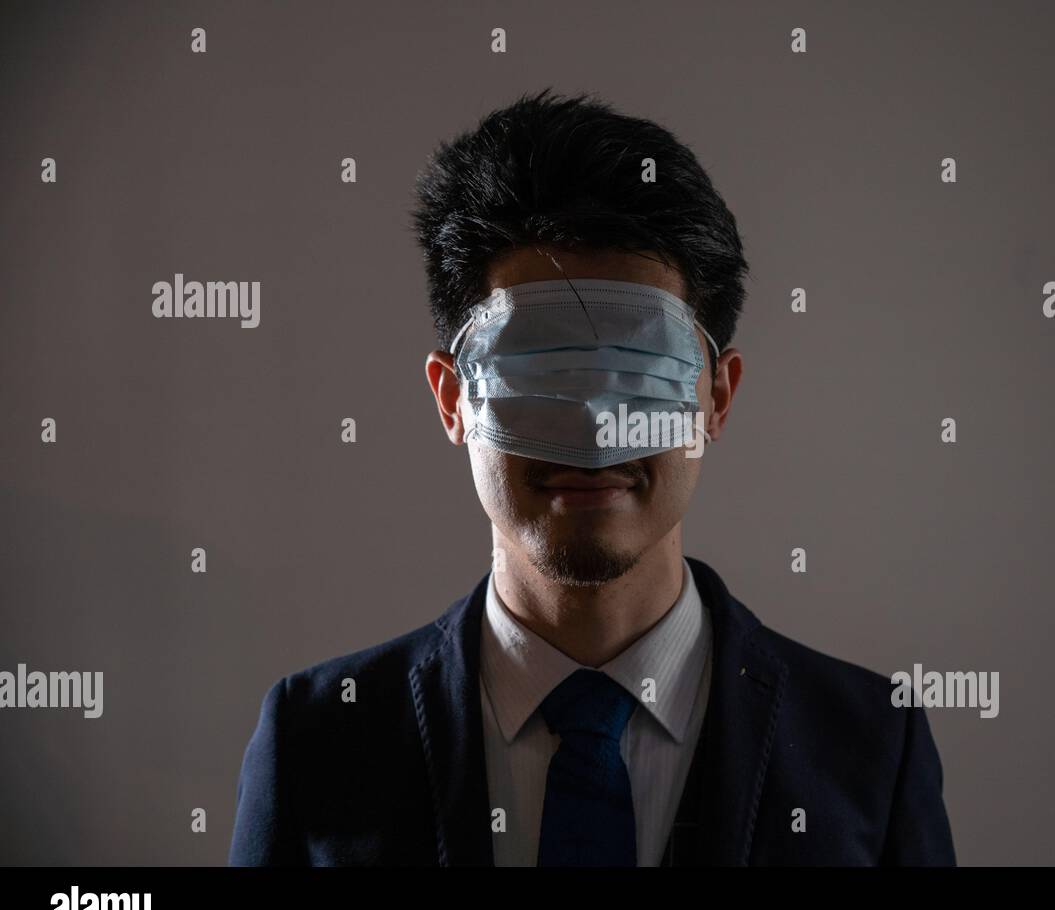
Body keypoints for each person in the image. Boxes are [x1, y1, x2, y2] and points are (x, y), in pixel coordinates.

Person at [228, 88, 956, 866]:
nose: (593, 426)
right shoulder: (316, 742)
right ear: (452, 399)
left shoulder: (872, 748)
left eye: (643, 366)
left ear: (717, 395)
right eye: (537, 367)